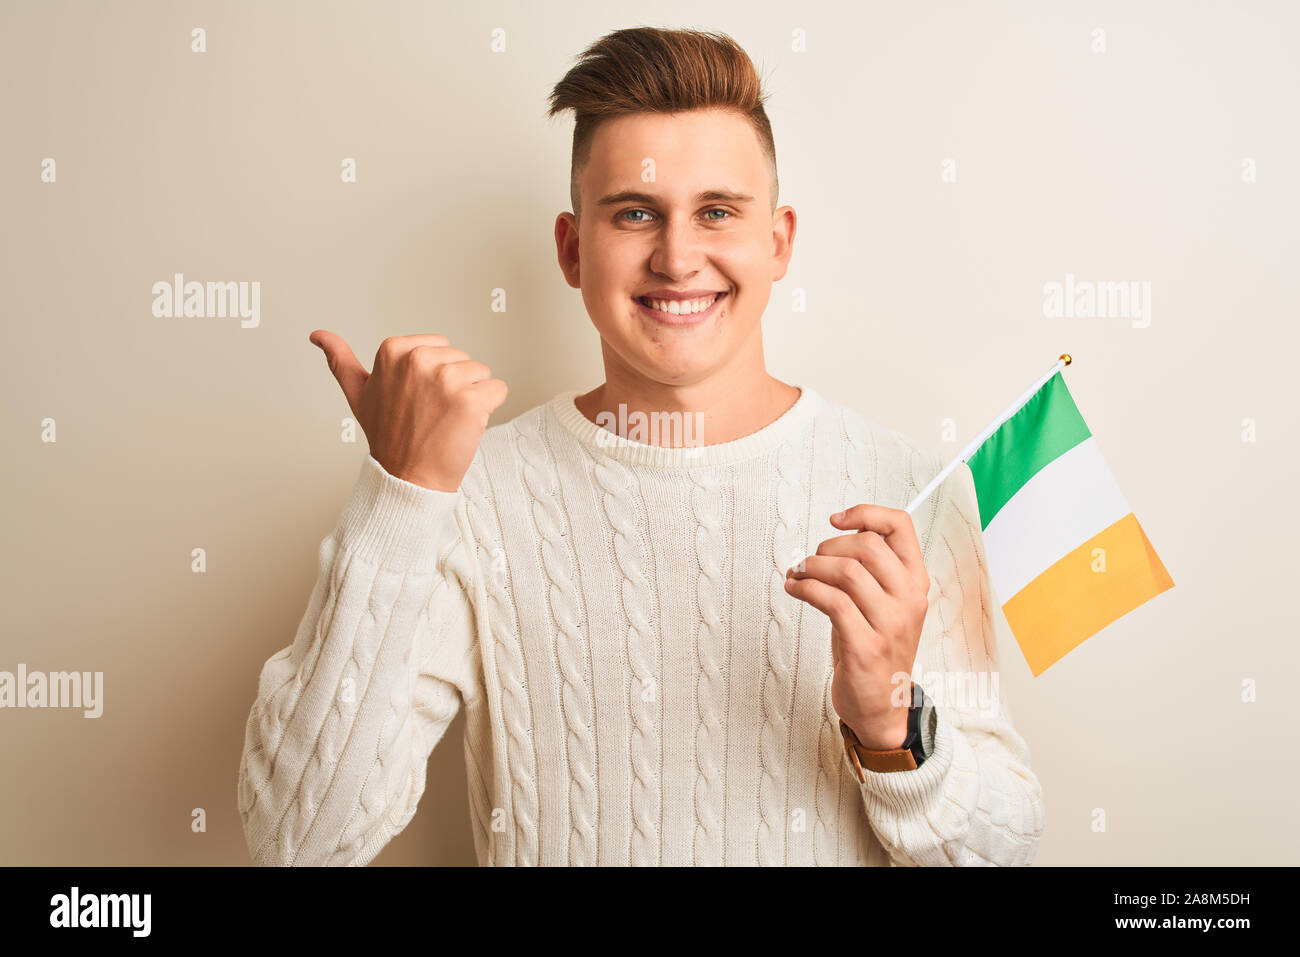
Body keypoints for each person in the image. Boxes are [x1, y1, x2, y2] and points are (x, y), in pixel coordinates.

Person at [237, 26, 1044, 867]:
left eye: (717, 212)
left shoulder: (911, 492)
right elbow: (296, 841)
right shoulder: (469, 494)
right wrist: (399, 496)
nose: (678, 256)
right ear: (573, 249)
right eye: (635, 213)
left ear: (778, 243)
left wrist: (890, 724)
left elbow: (1005, 854)